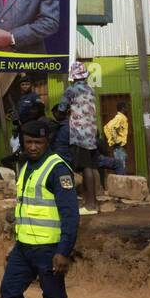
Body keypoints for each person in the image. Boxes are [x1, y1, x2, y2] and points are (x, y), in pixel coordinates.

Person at [0, 118, 81, 298]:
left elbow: (71, 215)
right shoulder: (26, 166)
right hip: (24, 248)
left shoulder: (57, 169)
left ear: (47, 143)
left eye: (38, 142)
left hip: (49, 250)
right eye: (29, 142)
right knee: (9, 292)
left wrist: (64, 251)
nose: (32, 147)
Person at [62, 62, 100, 215]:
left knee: (86, 168)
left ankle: (90, 205)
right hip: (92, 132)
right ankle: (93, 201)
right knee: (91, 166)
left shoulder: (70, 91)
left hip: (79, 133)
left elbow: (61, 108)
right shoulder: (91, 90)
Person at [104, 103, 130, 174]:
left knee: (122, 167)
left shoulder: (121, 117)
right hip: (119, 147)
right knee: (121, 168)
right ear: (123, 108)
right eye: (126, 108)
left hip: (120, 148)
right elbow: (111, 127)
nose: (127, 109)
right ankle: (122, 184)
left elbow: (107, 127)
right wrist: (116, 140)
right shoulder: (120, 117)